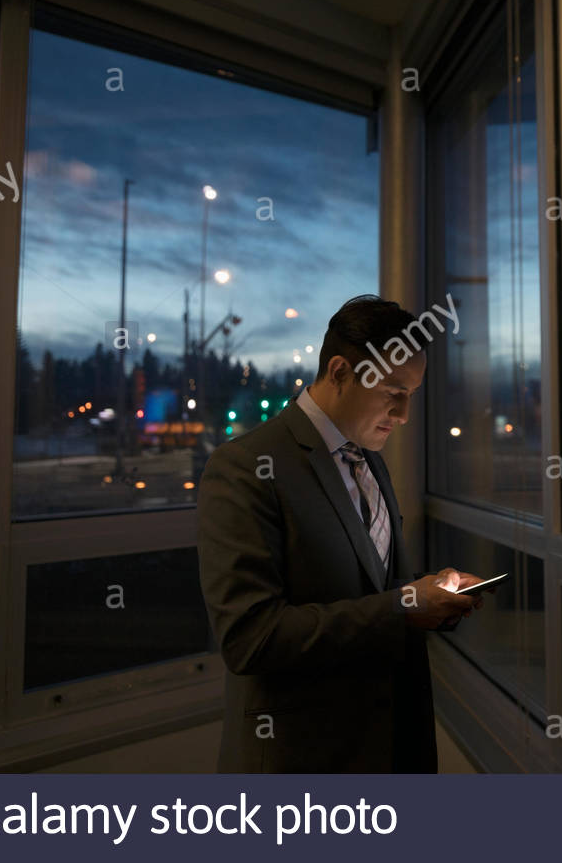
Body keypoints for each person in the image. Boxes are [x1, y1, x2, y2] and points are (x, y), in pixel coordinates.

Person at [197, 294, 485, 772]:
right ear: (339, 373)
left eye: (412, 394)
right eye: (393, 390)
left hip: (389, 745)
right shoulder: (245, 467)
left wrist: (431, 596)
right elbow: (251, 638)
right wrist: (405, 607)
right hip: (306, 762)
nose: (404, 413)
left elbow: (368, 591)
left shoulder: (368, 458)